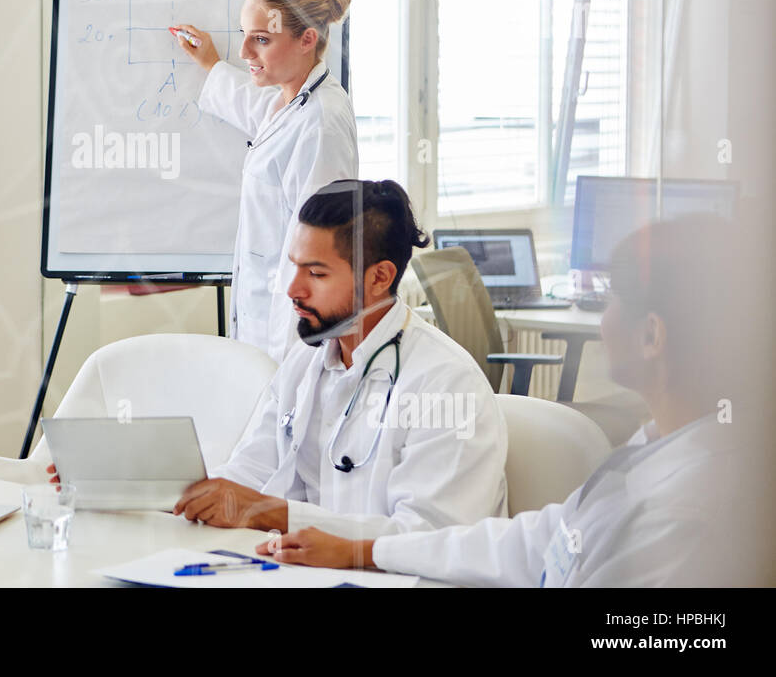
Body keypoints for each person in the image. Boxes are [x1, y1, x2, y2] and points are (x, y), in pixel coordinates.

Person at [254, 214, 762, 586]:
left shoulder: (690, 517)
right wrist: (363, 550)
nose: (604, 318)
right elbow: (533, 542)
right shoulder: (658, 447)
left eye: (610, 299)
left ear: (652, 336)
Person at [171, 179, 508, 536]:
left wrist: (274, 515)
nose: (293, 289)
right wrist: (189, 496)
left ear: (380, 277)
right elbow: (250, 472)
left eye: (316, 273)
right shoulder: (304, 363)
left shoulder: (446, 384)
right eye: (294, 267)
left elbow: (428, 538)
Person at [173, 0, 358, 363]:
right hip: (262, 332)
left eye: (260, 39)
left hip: (289, 342)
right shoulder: (290, 104)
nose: (243, 52)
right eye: (244, 34)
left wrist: (290, 359)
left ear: (307, 39)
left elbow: (320, 253)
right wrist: (211, 64)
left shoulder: (322, 123)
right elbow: (256, 110)